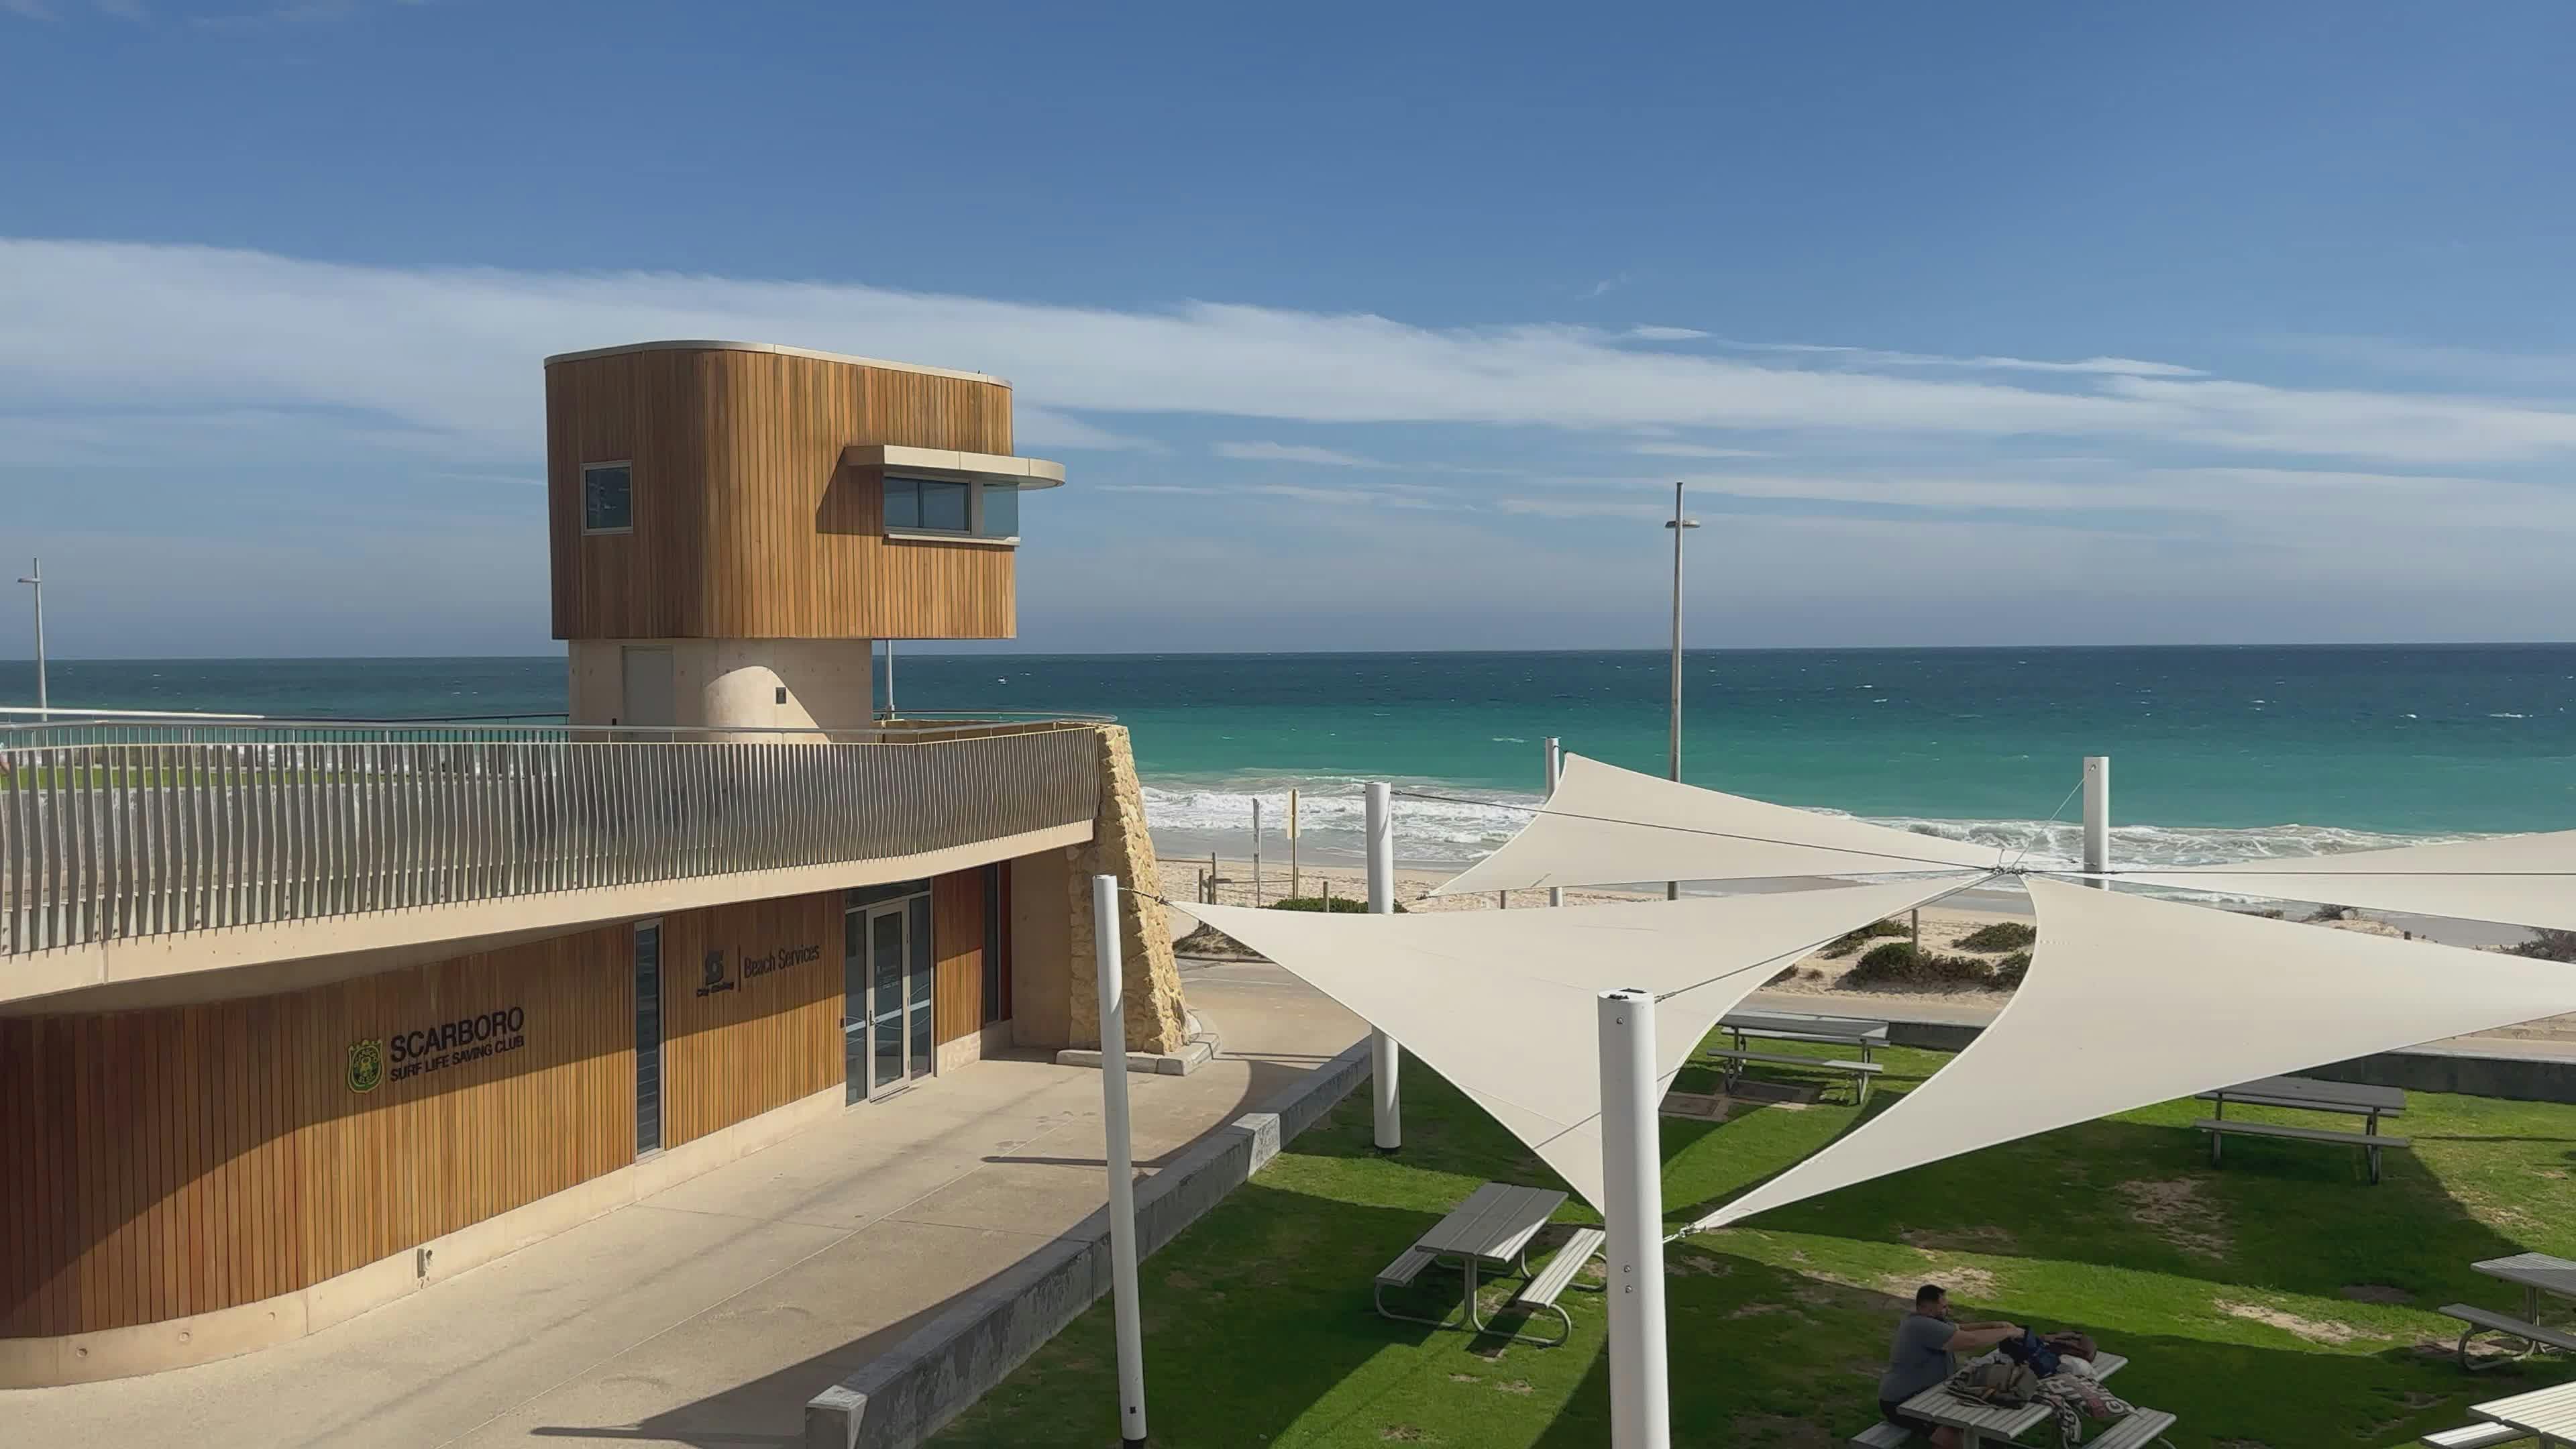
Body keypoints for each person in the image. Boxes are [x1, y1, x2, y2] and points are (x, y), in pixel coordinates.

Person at [1879, 1283, 2025, 1446]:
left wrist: (1994, 1325)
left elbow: (1960, 1329)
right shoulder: (1921, 1326)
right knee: (1956, 1439)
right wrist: (2010, 1332)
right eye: (1944, 1307)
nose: (1947, 1310)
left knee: (1978, 1426)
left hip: (1927, 1395)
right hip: (1902, 1402)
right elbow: (1970, 1341)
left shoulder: (1931, 1320)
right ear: (1927, 1307)